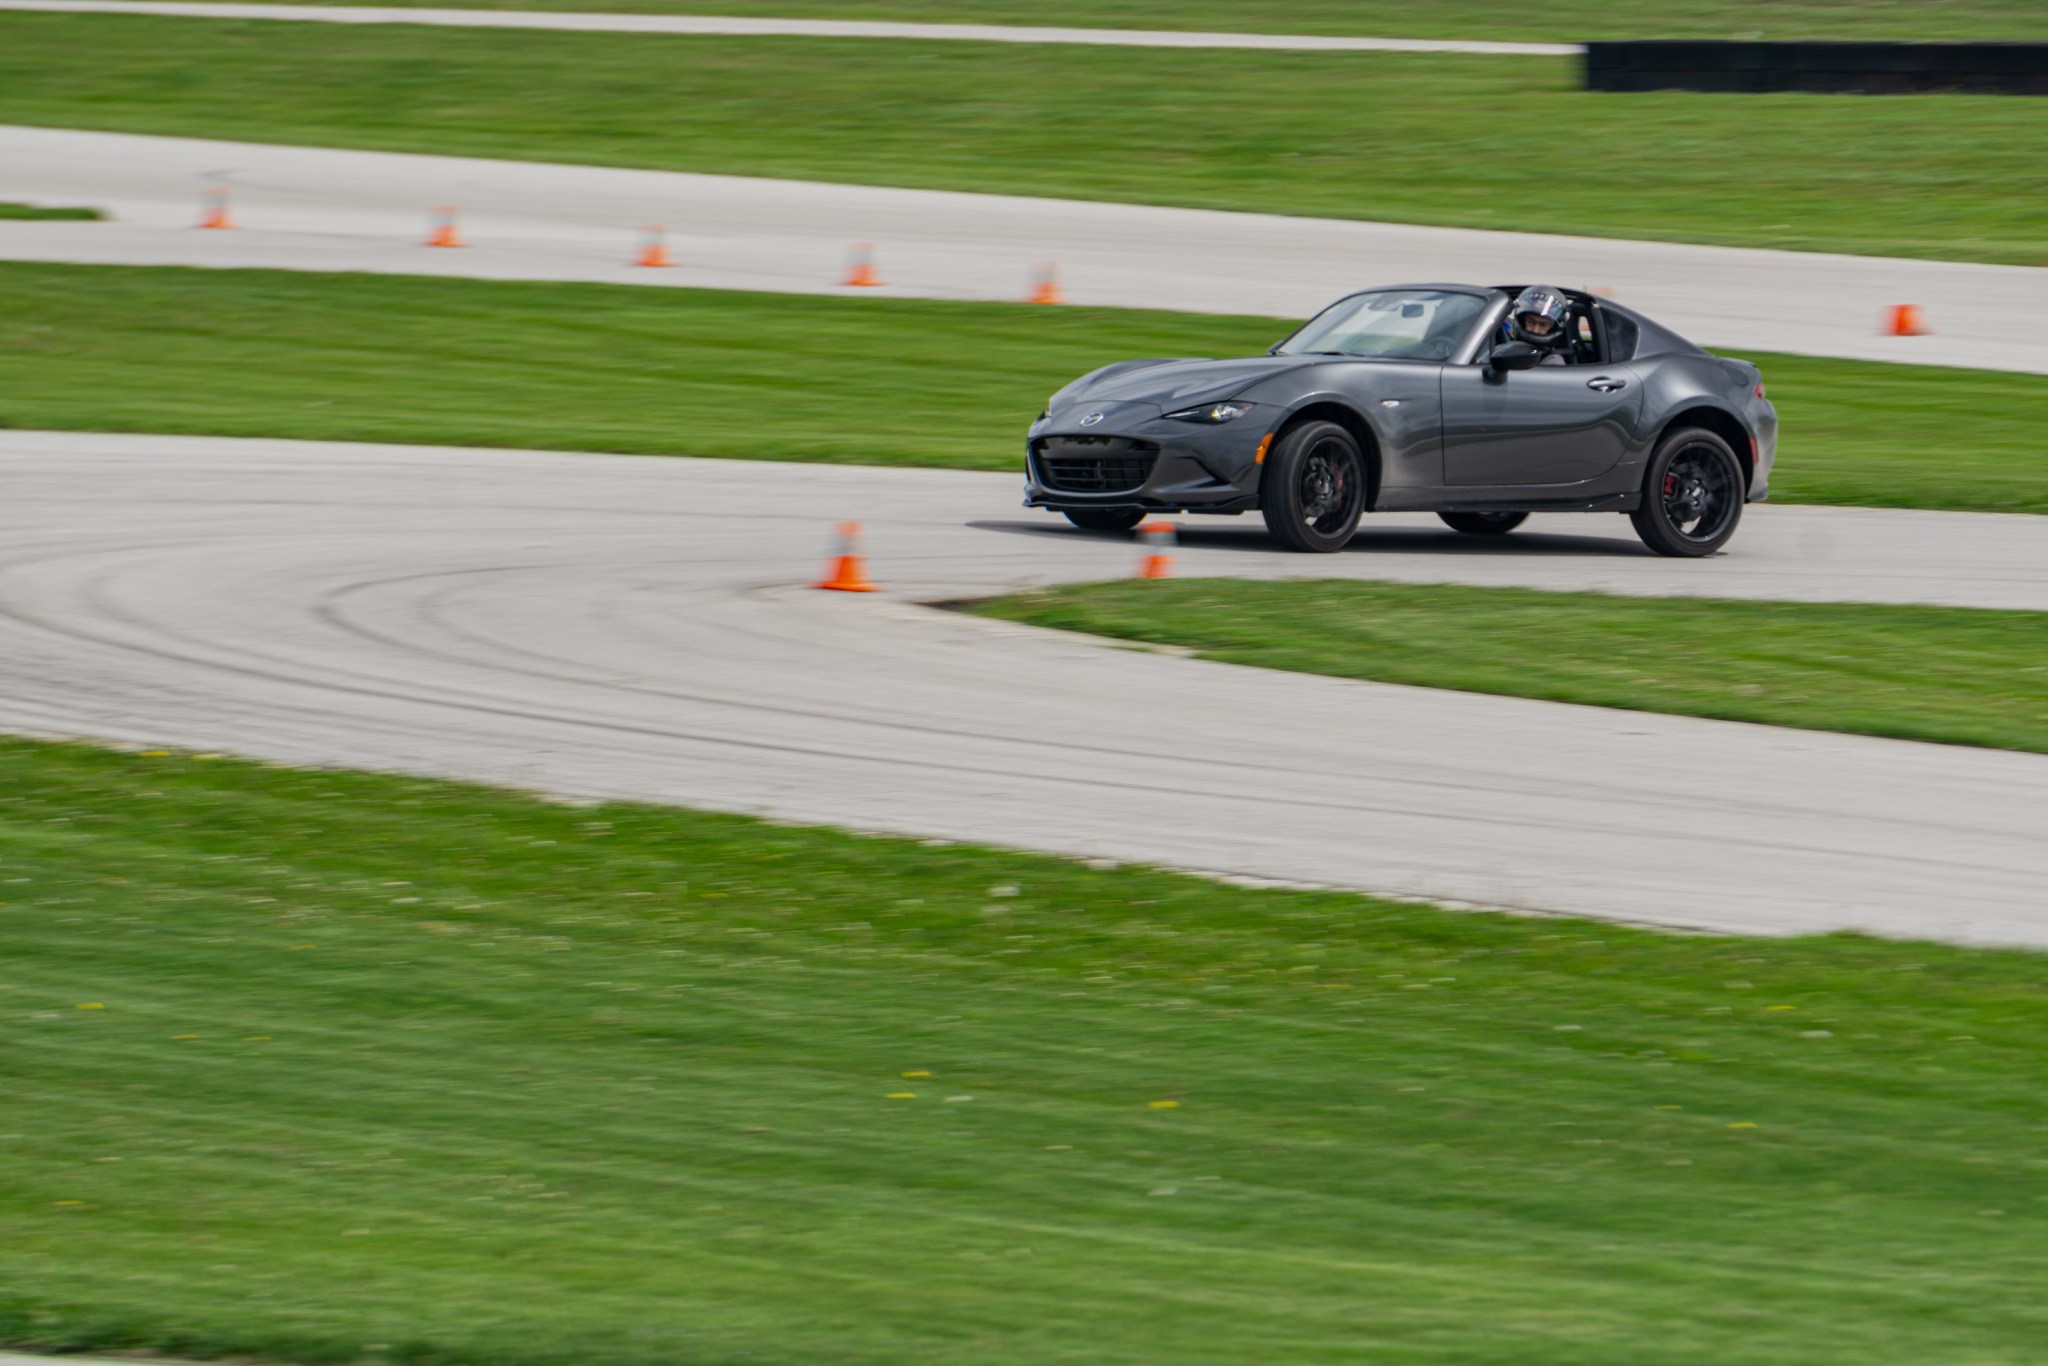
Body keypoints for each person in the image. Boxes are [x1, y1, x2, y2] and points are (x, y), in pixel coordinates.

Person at [1502, 285, 1576, 365]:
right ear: (1522, 321)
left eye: (1543, 324)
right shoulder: (1505, 336)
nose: (1535, 329)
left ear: (1553, 328)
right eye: (1531, 321)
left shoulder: (1553, 362)